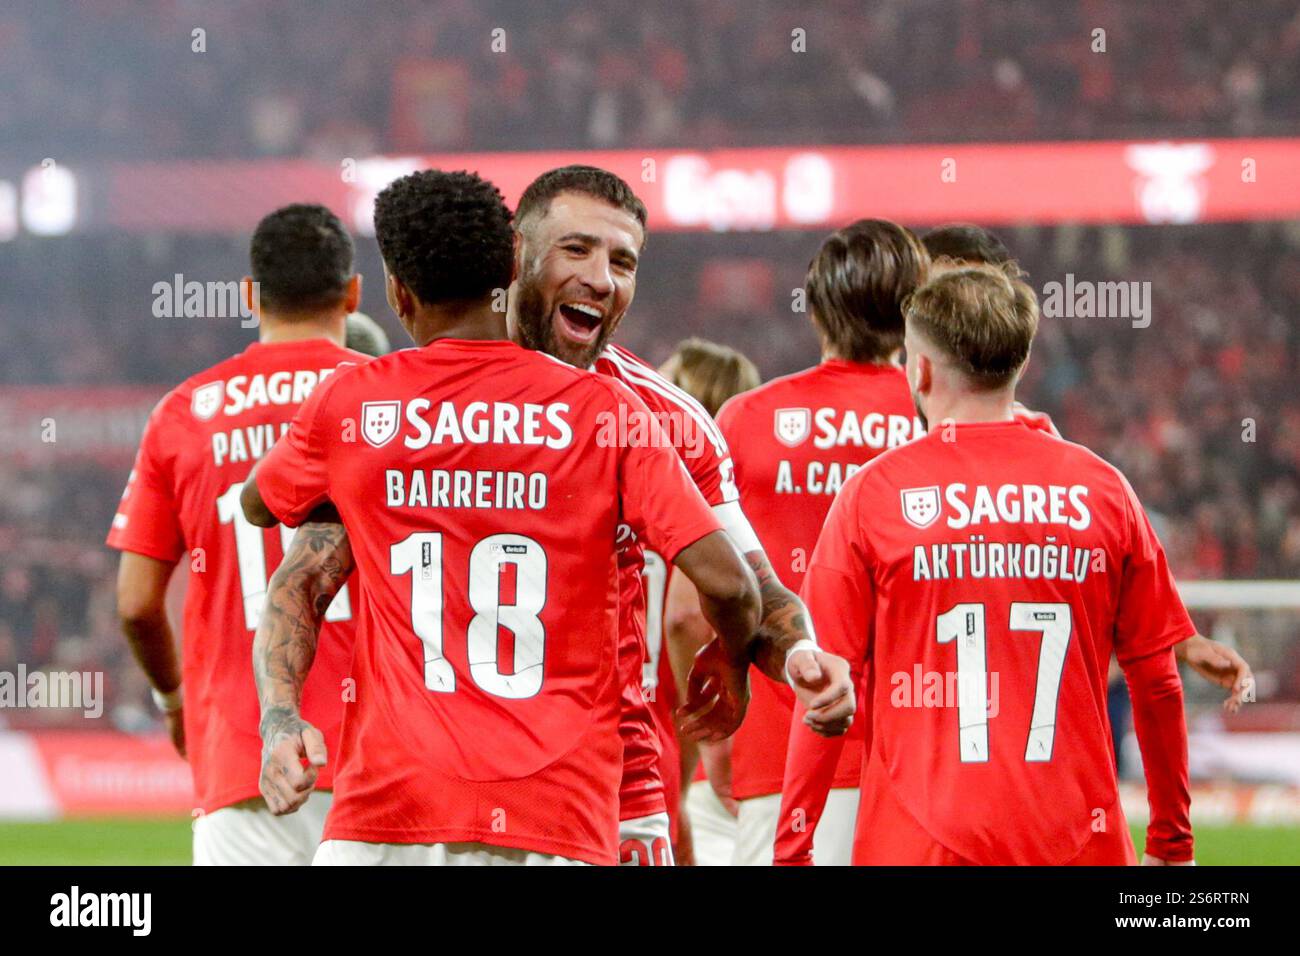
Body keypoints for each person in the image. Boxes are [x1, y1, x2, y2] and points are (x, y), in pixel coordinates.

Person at [256, 165, 857, 866]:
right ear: (517, 257)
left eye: (622, 260)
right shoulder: (412, 397)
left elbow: (753, 583)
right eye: (577, 250)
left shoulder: (661, 415)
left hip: (608, 794)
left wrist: (801, 653)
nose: (601, 278)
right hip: (433, 795)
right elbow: (307, 575)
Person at [777, 262, 1196, 865]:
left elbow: (822, 684)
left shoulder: (874, 495)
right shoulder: (1104, 490)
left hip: (918, 843)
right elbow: (1157, 682)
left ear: (918, 368)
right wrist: (1172, 843)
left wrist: (792, 849)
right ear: (1021, 364)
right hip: (1080, 841)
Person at [106, 203, 366, 864]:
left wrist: (173, 702)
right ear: (354, 293)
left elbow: (136, 603)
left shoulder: (185, 412)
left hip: (244, 754)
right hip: (378, 757)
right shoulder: (386, 403)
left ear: (251, 296)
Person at [921, 222, 1254, 710]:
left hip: (987, 708)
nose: (968, 316)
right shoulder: (871, 438)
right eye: (949, 297)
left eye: (986, 299)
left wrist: (1180, 641)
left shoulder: (1044, 445)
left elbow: (1114, 562)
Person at [695, 220, 928, 865]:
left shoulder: (744, 420)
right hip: (932, 757)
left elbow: (716, 588)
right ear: (915, 307)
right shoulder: (940, 422)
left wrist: (719, 737)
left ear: (819, 309)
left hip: (784, 750)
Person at [657, 338, 760, 866]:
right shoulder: (739, 519)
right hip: (683, 753)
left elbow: (682, 617)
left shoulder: (675, 509)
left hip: (657, 753)